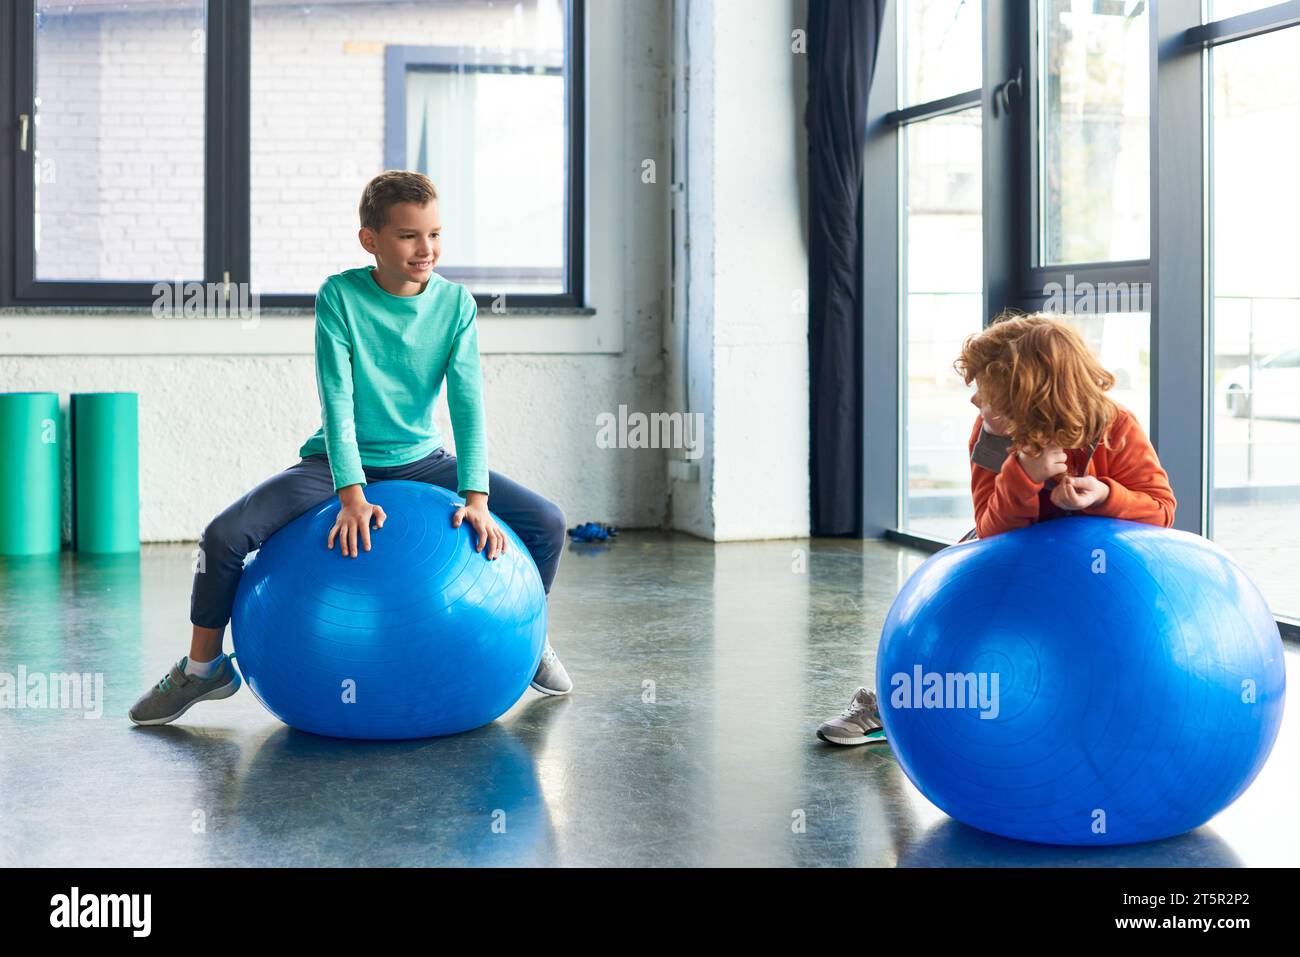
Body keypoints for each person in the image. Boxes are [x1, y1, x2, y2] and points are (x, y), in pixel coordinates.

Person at [130, 170, 572, 727]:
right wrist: (352, 493)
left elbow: (468, 405)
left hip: (425, 461)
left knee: (548, 523)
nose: (426, 249)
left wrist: (476, 496)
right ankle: (203, 670)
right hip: (335, 464)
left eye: (435, 234)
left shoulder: (457, 305)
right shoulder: (340, 296)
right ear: (371, 241)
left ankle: (530, 640)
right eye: (410, 236)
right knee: (223, 536)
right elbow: (336, 403)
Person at [817, 311, 1176, 745]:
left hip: (1100, 576)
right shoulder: (990, 435)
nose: (975, 403)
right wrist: (1023, 473)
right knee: (952, 605)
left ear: (1035, 398)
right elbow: (991, 529)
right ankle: (894, 703)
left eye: (990, 396)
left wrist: (1104, 494)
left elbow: (1161, 510)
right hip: (1014, 561)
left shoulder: (1115, 426)